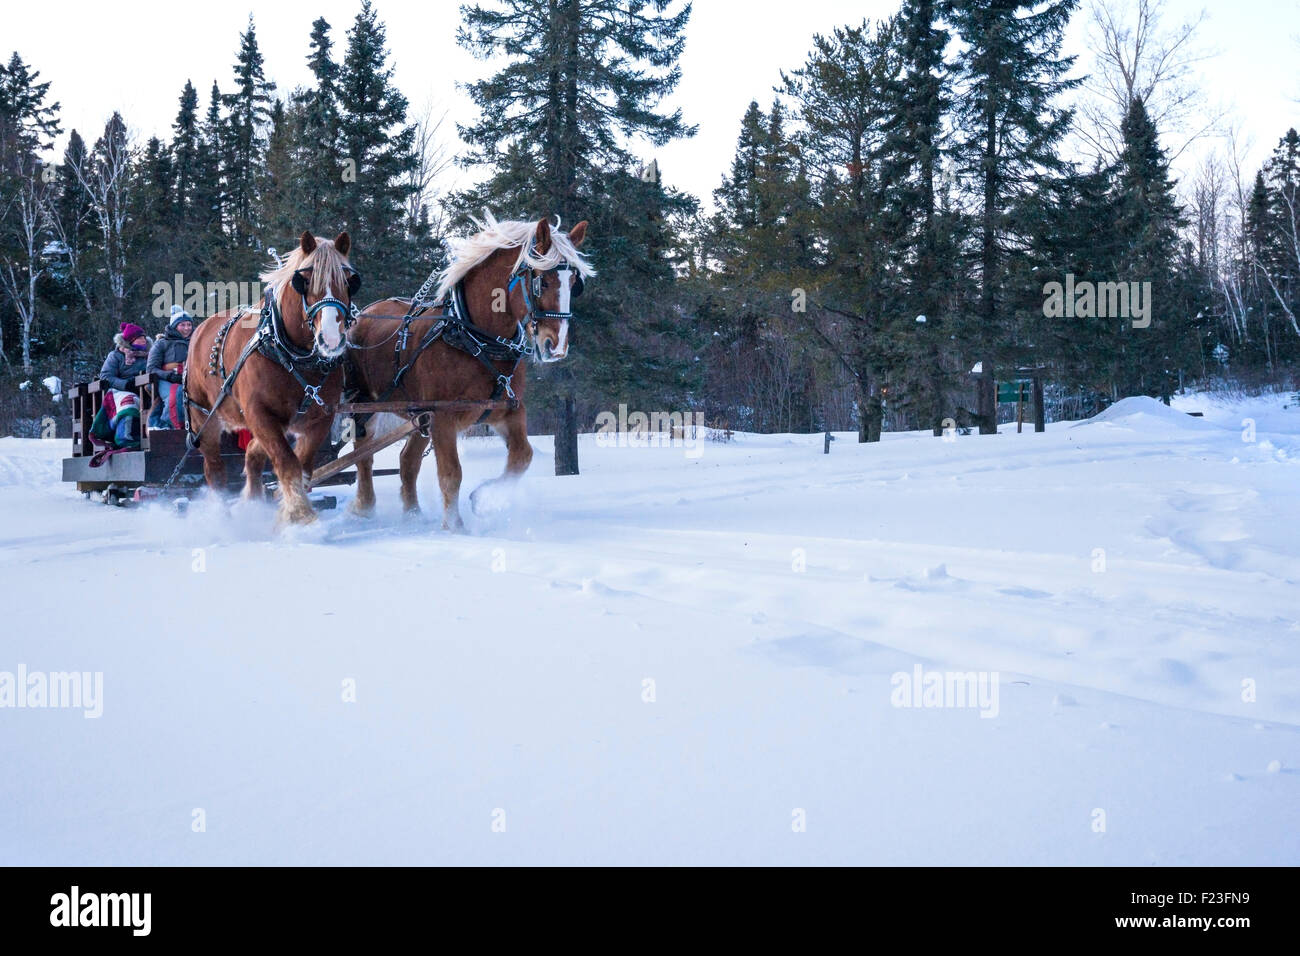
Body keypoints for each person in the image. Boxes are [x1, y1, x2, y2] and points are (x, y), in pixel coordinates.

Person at [147, 305, 195, 429]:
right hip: (164, 380)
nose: (187, 328)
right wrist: (170, 375)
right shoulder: (161, 344)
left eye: (189, 325)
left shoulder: (196, 342)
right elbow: (151, 369)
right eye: (182, 325)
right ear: (174, 326)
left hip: (191, 379)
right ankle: (168, 426)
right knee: (177, 392)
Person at [99, 323, 152, 391]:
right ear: (130, 341)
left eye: (144, 337)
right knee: (130, 400)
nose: (144, 340)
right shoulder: (116, 356)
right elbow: (106, 376)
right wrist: (126, 384)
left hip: (148, 389)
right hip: (121, 391)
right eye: (139, 338)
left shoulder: (149, 355)